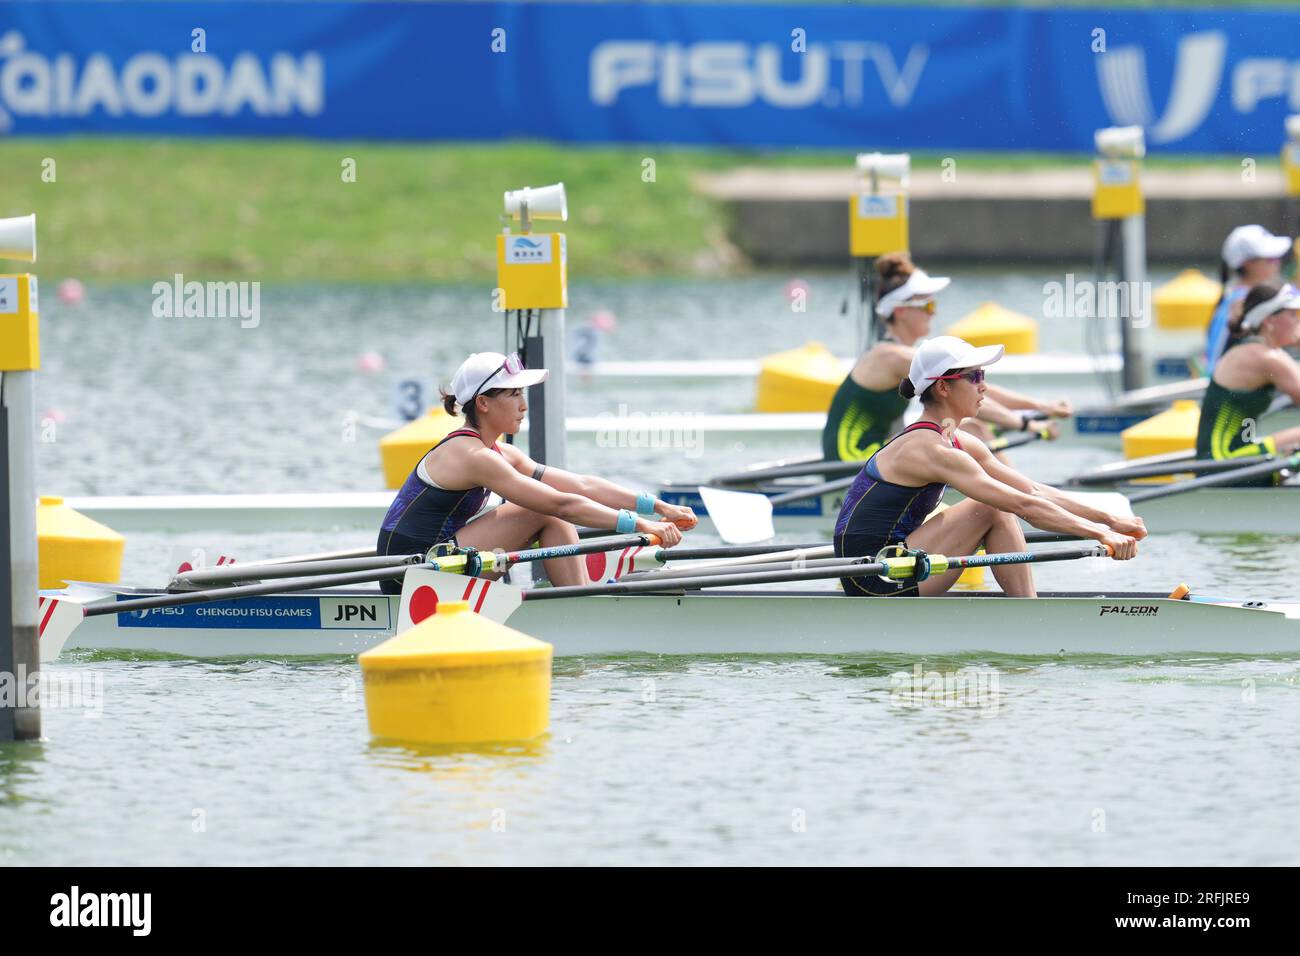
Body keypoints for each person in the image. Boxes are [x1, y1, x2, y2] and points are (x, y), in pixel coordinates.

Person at [833, 336, 1143, 597]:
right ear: (942, 388)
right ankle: (1030, 618)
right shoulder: (927, 448)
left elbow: (1031, 489)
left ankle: (1027, 611)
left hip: (898, 560)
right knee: (992, 507)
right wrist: (1099, 533)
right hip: (873, 576)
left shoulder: (957, 440)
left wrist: (1111, 521)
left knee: (997, 504)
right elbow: (1023, 505)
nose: (984, 387)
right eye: (975, 377)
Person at [376, 351, 696, 593]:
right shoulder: (470, 454)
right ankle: (579, 601)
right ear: (484, 403)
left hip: (441, 559)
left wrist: (657, 506)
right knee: (542, 511)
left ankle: (577, 594)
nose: (523, 405)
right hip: (407, 576)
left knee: (549, 509)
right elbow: (561, 504)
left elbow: (581, 485)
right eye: (514, 394)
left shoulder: (501, 453)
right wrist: (640, 526)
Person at [821, 252, 1071, 463]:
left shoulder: (902, 354)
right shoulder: (892, 357)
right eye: (927, 306)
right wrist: (1025, 425)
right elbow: (969, 389)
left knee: (971, 429)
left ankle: (1012, 498)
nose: (934, 312)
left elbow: (976, 387)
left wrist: (1039, 407)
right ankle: (1015, 500)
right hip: (851, 456)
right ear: (900, 311)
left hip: (874, 449)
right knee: (974, 430)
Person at [1195, 282, 1300, 484]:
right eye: (1293, 314)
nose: (1298, 321)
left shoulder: (1264, 351)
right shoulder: (1265, 358)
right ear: (1270, 320)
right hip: (1222, 463)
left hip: (1233, 458)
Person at [1204, 225, 1292, 375]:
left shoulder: (1235, 294)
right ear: (1248, 263)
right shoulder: (1242, 302)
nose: (1278, 262)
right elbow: (1215, 363)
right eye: (1271, 258)